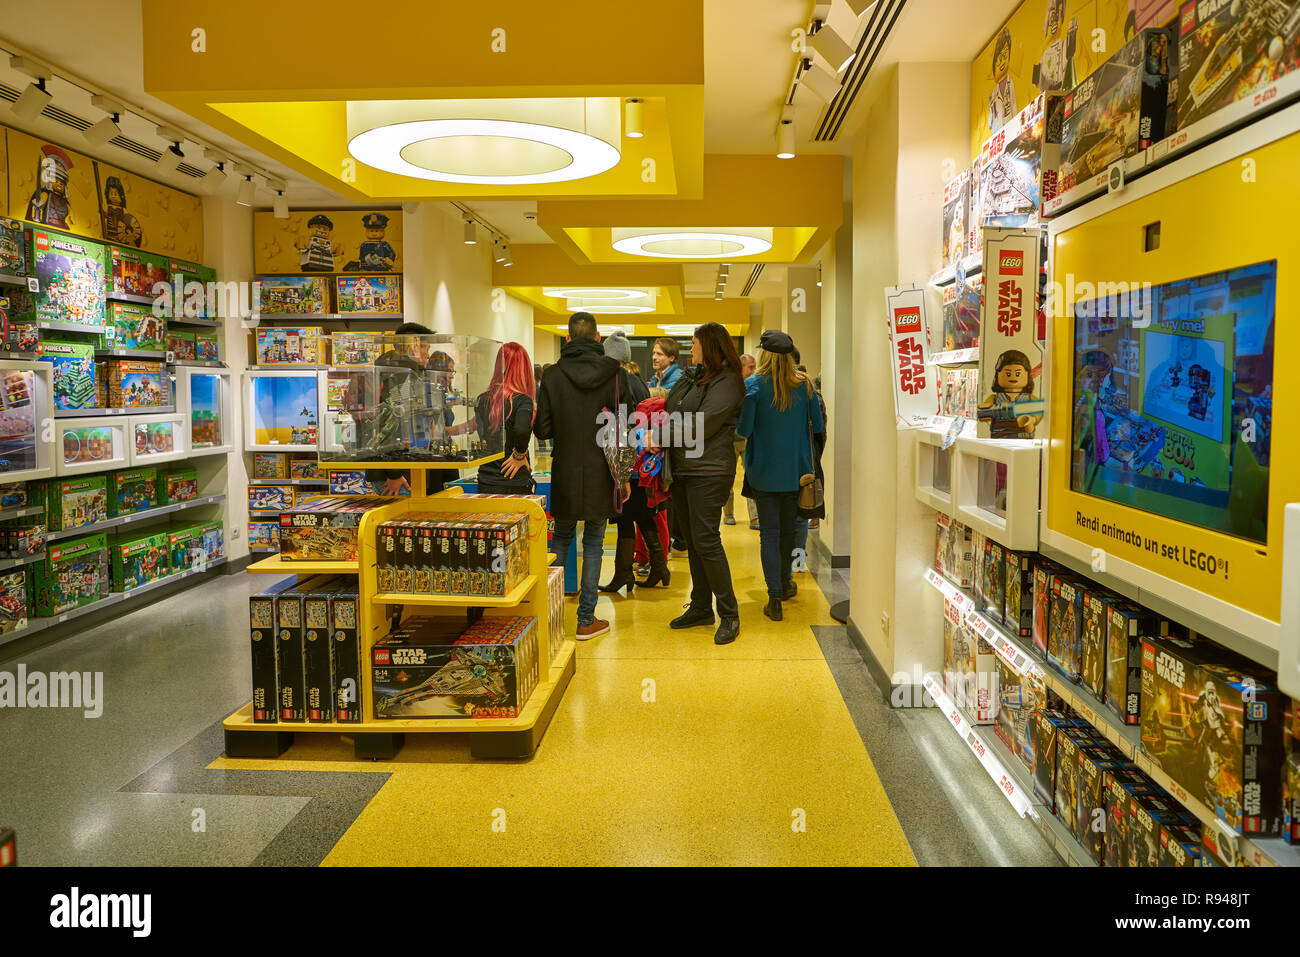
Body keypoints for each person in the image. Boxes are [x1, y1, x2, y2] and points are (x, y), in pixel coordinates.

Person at [535, 312, 633, 640]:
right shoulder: (614, 374)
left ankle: (550, 618)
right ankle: (586, 620)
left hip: (564, 469)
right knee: (593, 541)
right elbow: (624, 426)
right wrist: (624, 477)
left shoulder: (552, 376)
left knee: (561, 538)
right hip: (601, 473)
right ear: (596, 338)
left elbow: (543, 429)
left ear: (567, 339)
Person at [654, 322, 745, 645]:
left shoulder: (728, 382)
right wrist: (691, 375)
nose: (690, 350)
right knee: (692, 539)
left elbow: (702, 424)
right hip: (685, 469)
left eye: (694, 344)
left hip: (710, 471)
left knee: (706, 539)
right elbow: (672, 406)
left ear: (709, 345)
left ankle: (730, 613)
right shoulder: (698, 378)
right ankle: (701, 606)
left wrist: (660, 436)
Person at [738, 330, 824, 622]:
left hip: (763, 472)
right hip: (797, 473)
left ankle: (773, 597)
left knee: (769, 535)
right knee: (789, 531)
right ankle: (787, 582)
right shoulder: (805, 386)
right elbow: (819, 426)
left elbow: (744, 430)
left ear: (764, 354)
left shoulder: (752, 386)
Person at [599, 331, 667, 593]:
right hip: (644, 463)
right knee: (642, 515)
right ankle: (658, 568)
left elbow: (621, 426)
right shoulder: (637, 381)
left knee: (627, 518)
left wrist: (621, 470)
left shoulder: (618, 382)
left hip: (631, 461)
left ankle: (623, 574)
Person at [363, 322, 459, 496]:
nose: (427, 355)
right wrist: (394, 473)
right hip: (400, 476)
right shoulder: (397, 374)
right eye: (425, 348)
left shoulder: (401, 371)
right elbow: (389, 424)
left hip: (407, 469)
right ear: (413, 346)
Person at [469, 341, 536, 494]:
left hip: (486, 477)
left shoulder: (483, 399)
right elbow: (521, 430)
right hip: (514, 479)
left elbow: (483, 435)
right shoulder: (522, 400)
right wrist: (519, 454)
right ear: (524, 368)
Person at [726, 353, 759, 528]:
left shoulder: (755, 387)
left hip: (748, 438)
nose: (754, 371)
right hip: (730, 439)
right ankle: (728, 514)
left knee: (752, 477)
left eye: (755, 367)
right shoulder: (731, 386)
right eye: (750, 367)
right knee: (728, 478)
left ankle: (754, 517)